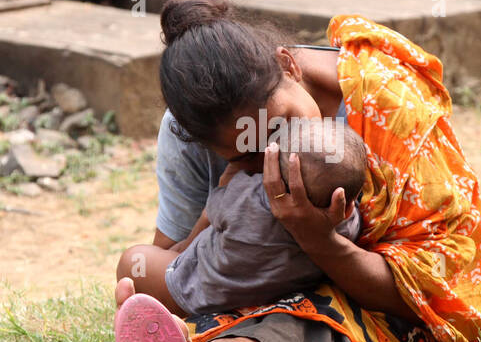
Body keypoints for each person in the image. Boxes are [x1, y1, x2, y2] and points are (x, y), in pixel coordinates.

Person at [112, 0, 481, 342]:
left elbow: (431, 291)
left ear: (288, 65)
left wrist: (318, 240)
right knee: (167, 290)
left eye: (279, 128)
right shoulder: (187, 131)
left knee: (308, 326)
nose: (271, 158)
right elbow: (174, 257)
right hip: (251, 294)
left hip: (360, 299)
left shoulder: (388, 106)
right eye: (244, 155)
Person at [120, 118, 367, 318]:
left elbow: (211, 215)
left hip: (200, 293)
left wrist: (227, 183)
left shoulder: (244, 195)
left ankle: (150, 315)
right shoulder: (348, 225)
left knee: (134, 261)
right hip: (277, 296)